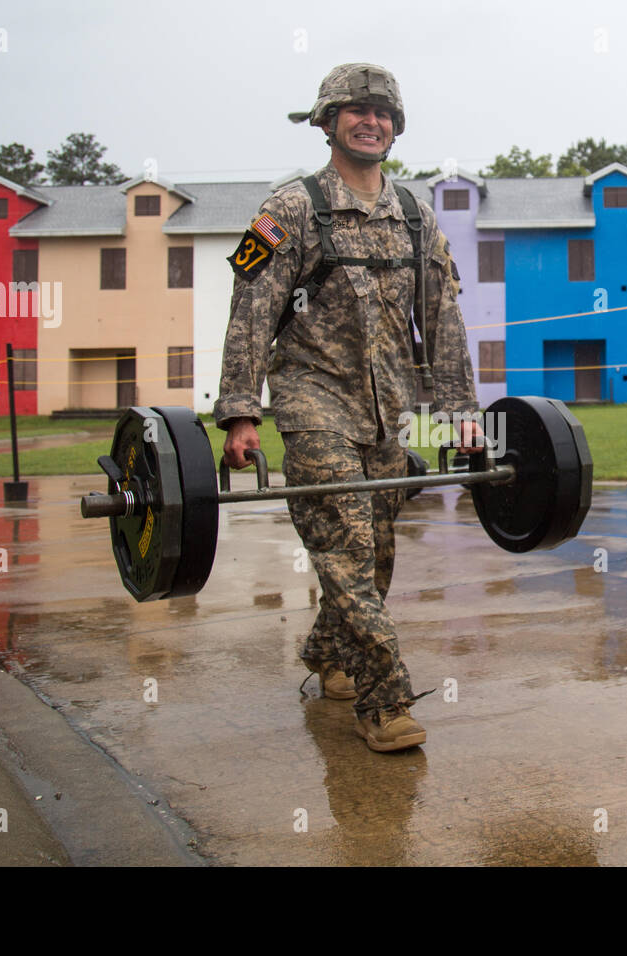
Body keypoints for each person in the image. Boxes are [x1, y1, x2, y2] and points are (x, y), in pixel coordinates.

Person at [214, 63, 482, 752]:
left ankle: (330, 652)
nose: (372, 121)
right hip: (312, 401)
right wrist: (242, 411)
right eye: (356, 110)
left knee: (376, 557)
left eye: (383, 112)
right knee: (348, 544)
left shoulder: (416, 216)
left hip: (389, 410)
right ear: (328, 122)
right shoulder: (291, 209)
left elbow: (443, 320)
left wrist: (460, 411)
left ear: (396, 126)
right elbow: (252, 310)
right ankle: (385, 702)